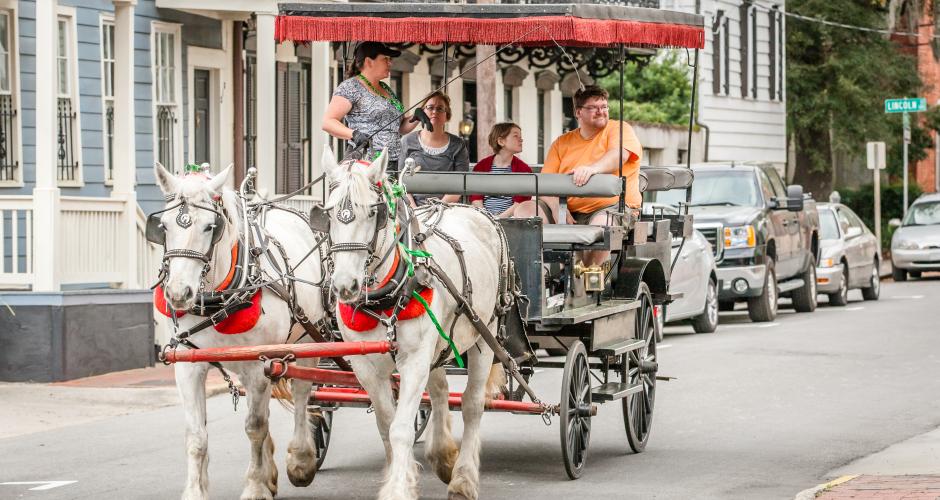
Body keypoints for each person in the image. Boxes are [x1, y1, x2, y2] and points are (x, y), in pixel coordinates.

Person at [516, 84, 642, 265]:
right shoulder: (562, 142)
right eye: (593, 108)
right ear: (578, 112)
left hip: (612, 207)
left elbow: (619, 155)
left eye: (604, 107)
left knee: (601, 224)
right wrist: (556, 207)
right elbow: (544, 184)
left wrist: (592, 169)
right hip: (566, 209)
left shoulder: (619, 129)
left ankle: (587, 281)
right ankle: (535, 274)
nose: (601, 111)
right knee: (526, 210)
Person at [322, 42, 429, 163]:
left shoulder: (386, 88)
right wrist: (354, 134)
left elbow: (400, 129)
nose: (390, 63)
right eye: (385, 59)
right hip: (364, 162)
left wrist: (415, 117)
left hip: (392, 162)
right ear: (369, 62)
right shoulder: (350, 87)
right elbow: (328, 122)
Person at [399, 91, 470, 205]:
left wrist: (438, 208)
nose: (434, 112)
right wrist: (414, 210)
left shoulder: (458, 145)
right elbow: (401, 181)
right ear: (422, 112)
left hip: (447, 208)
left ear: (447, 116)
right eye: (430, 107)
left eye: (440, 109)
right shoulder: (407, 141)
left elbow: (460, 183)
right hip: (413, 208)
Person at [469, 122, 538, 218]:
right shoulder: (481, 167)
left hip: (511, 219)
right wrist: (486, 217)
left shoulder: (524, 169)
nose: (521, 139)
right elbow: (476, 198)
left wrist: (499, 219)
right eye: (515, 136)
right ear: (501, 141)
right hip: (483, 217)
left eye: (520, 136)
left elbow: (520, 202)